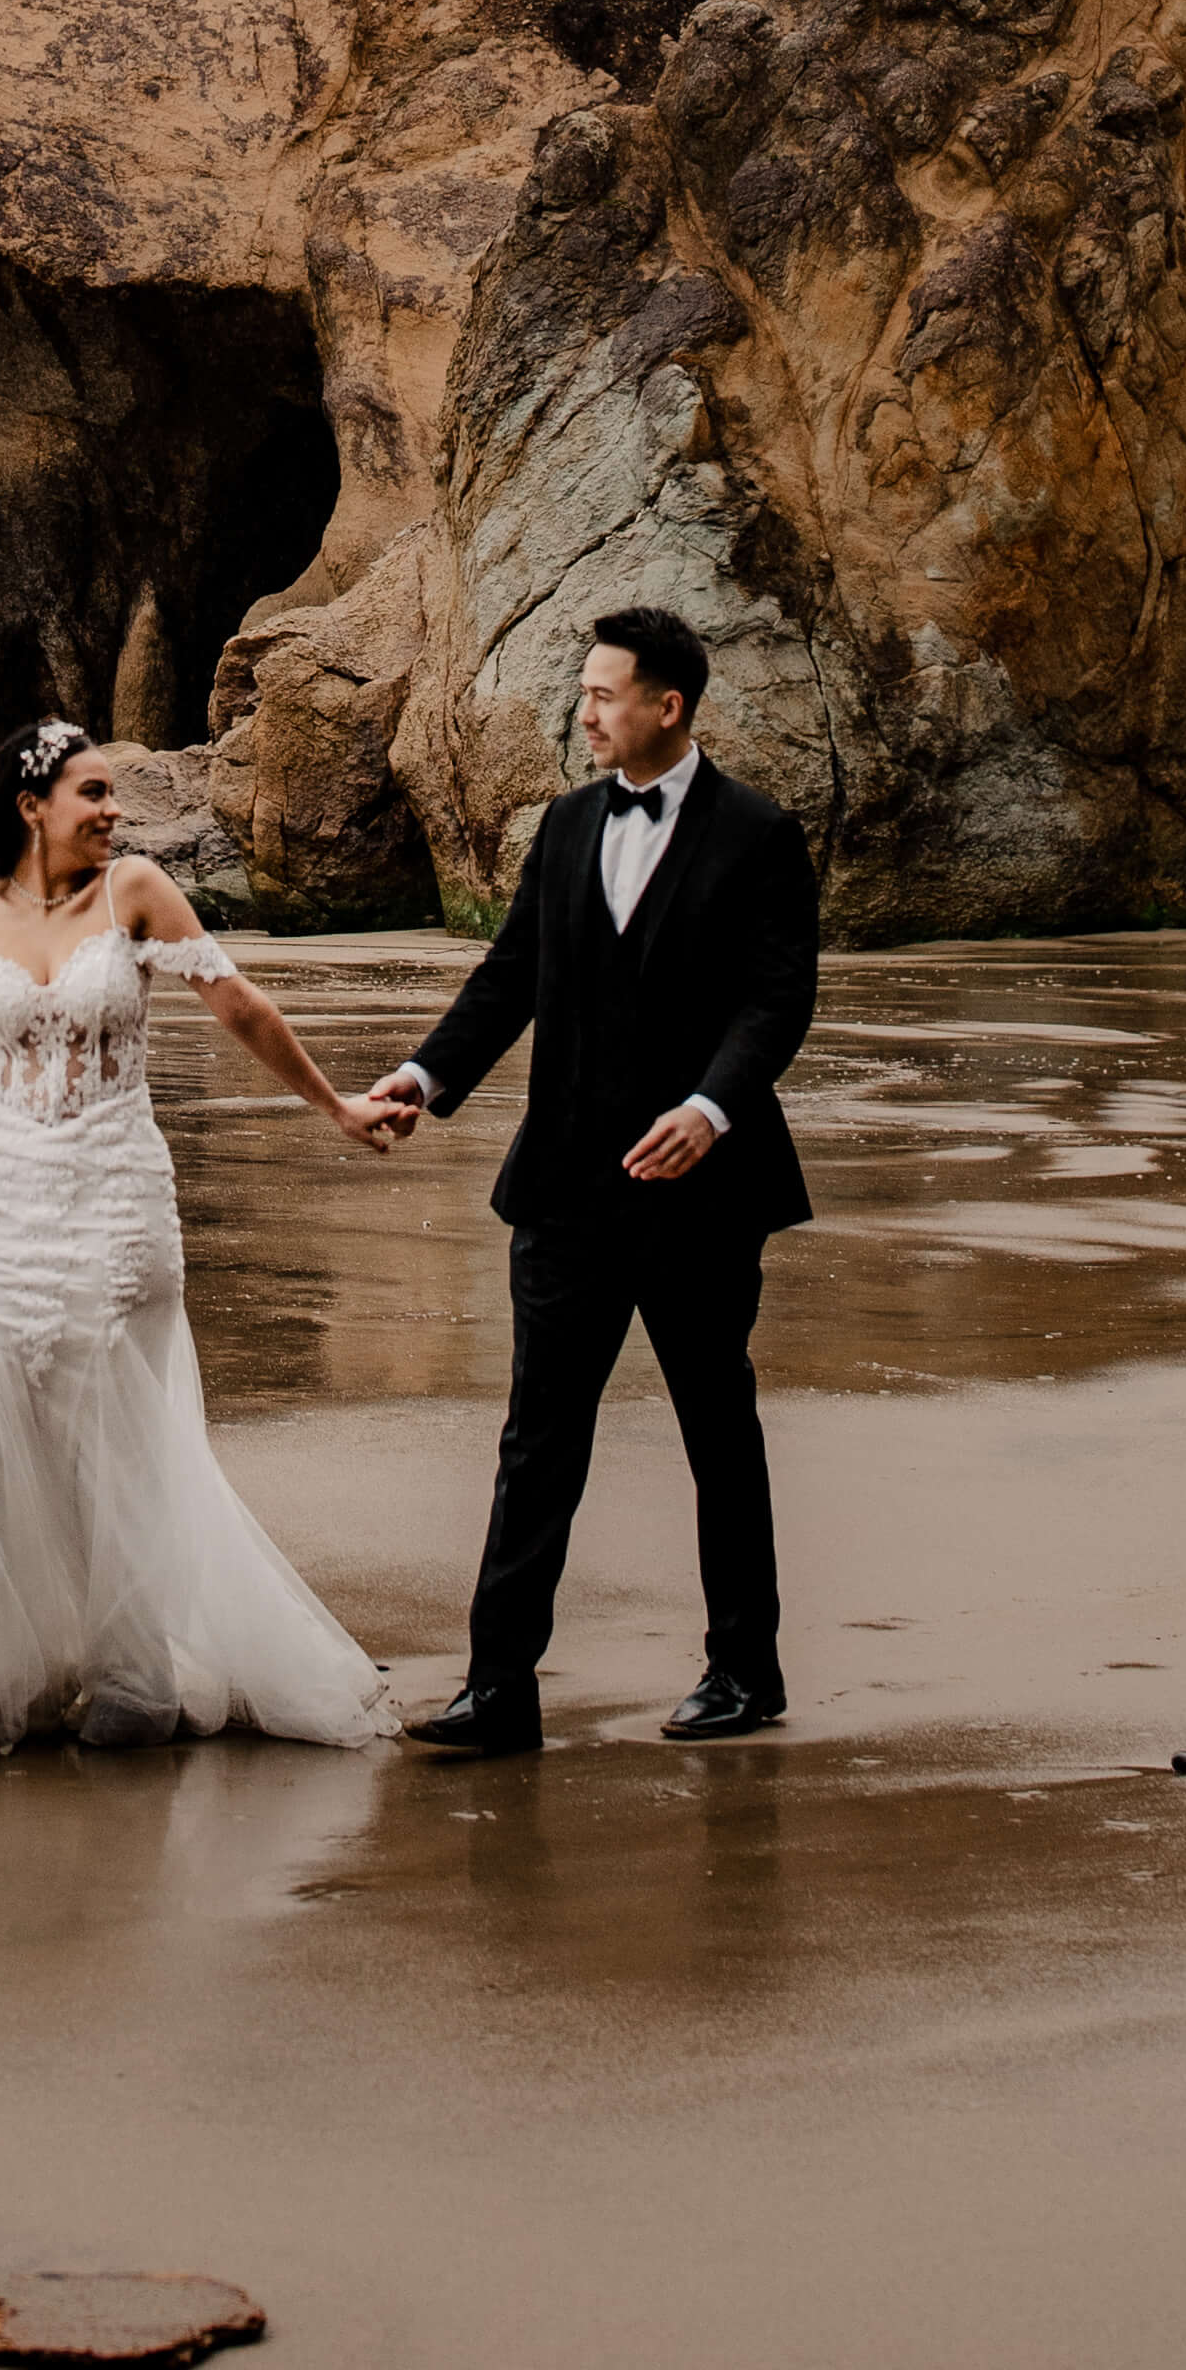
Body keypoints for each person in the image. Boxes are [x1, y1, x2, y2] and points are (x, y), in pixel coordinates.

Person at [0, 718, 410, 1768]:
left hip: (115, 1194)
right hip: (3, 1194)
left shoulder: (133, 888)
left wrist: (335, 1107)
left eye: (114, 794)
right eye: (93, 792)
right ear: (29, 805)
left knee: (110, 1426)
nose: (113, 810)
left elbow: (239, 1004)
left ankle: (134, 1664)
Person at [365, 606, 819, 1750]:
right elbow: (511, 971)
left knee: (717, 1427)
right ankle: (497, 1686)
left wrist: (711, 1109)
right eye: (584, 691)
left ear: (668, 705)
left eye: (604, 692)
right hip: (565, 1188)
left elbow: (778, 998)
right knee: (538, 1437)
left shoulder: (759, 834)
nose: (585, 709)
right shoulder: (566, 825)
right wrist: (425, 1073)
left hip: (702, 1195)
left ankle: (743, 1670)